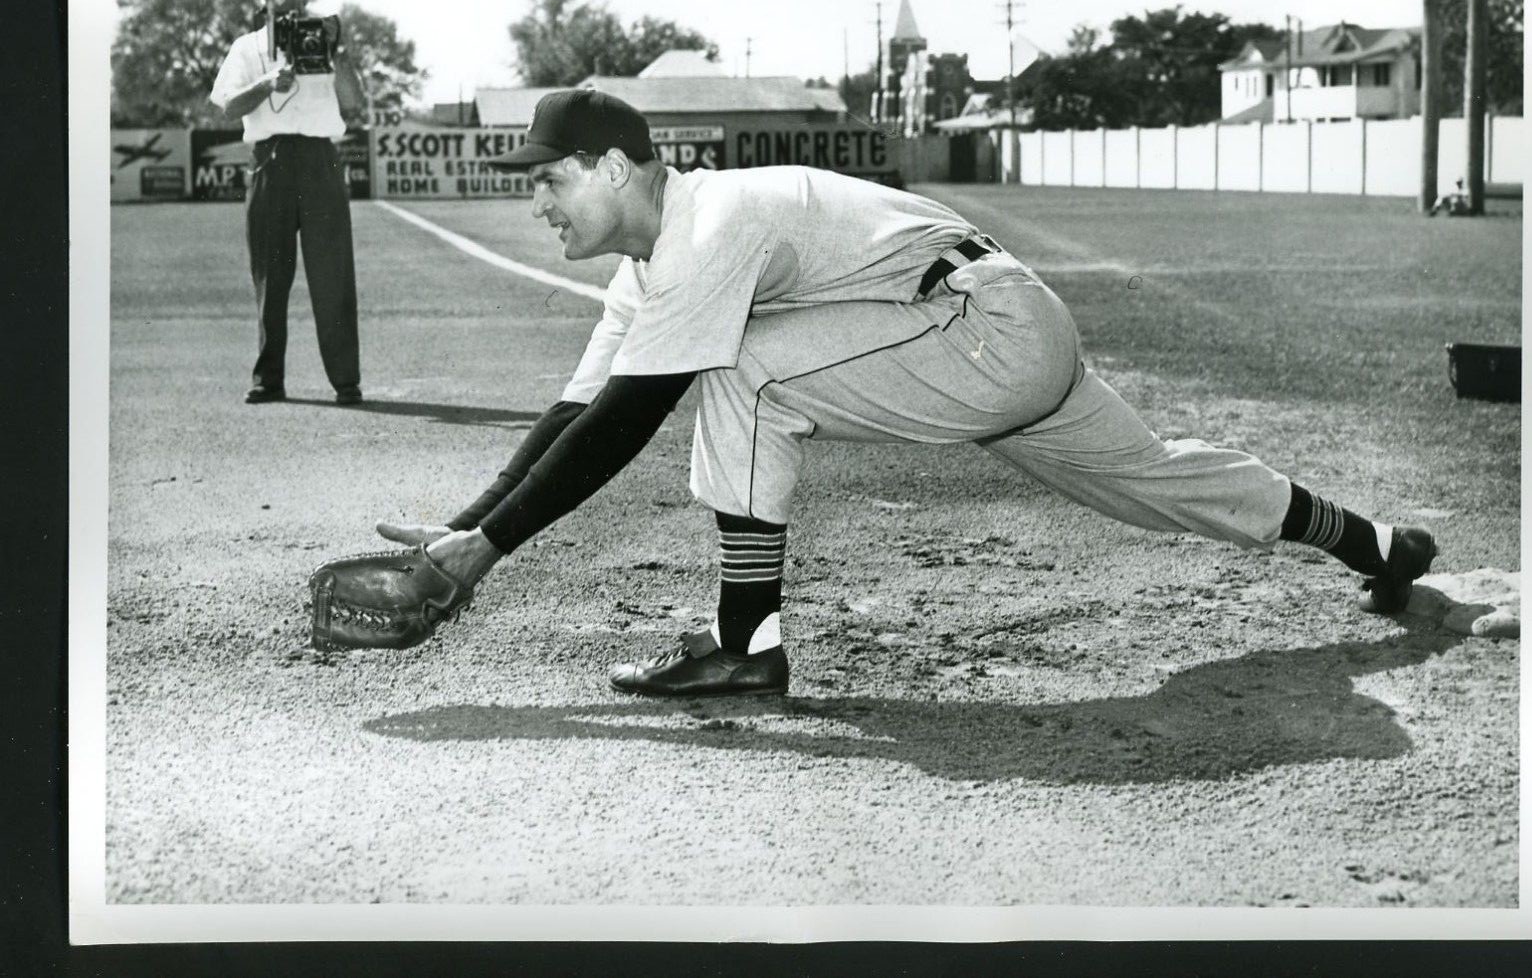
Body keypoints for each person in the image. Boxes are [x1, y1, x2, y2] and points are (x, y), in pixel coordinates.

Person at [377, 88, 1436, 697]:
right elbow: (576, 410)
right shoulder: (653, 264)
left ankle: (747, 648)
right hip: (994, 326)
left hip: (977, 332)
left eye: (549, 179)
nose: (536, 203)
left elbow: (625, 422)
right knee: (1155, 477)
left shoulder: (710, 226)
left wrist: (486, 553)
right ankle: (1375, 545)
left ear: (613, 168)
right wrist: (461, 532)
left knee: (740, 369)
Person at [210, 0, 368, 405]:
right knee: (269, 275)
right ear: (261, 1)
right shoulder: (247, 47)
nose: (282, 1)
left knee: (332, 273)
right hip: (270, 160)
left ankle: (346, 380)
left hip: (319, 158)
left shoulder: (324, 40)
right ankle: (268, 379)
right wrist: (265, 85)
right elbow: (225, 106)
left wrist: (344, 55)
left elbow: (354, 104)